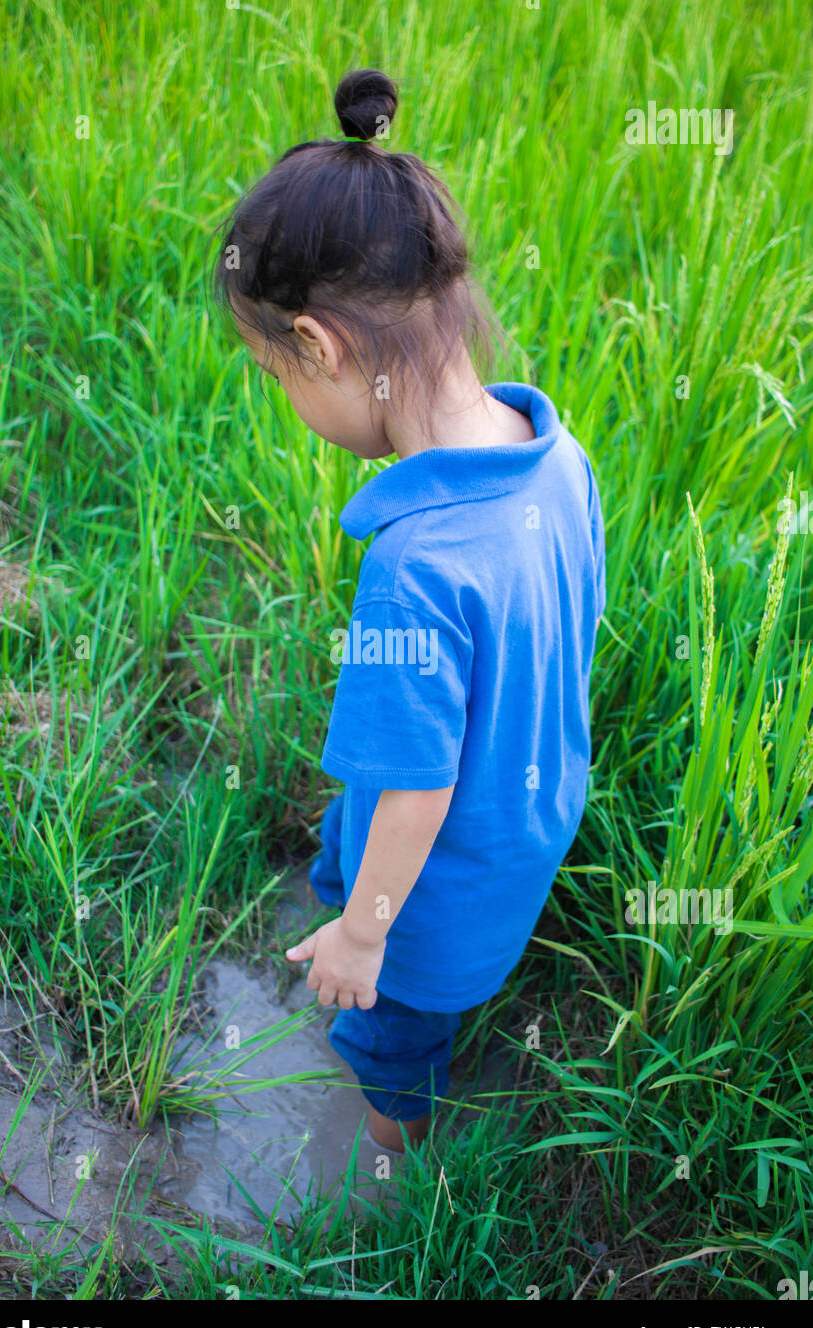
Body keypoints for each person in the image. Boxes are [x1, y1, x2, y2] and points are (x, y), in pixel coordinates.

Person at [212, 68, 606, 1154]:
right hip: (522, 838)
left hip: (422, 910)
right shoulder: (554, 454)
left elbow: (417, 784)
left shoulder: (413, 569)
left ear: (322, 347)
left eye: (274, 374)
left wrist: (362, 937)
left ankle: (392, 1155)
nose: (287, 401)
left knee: (389, 1047)